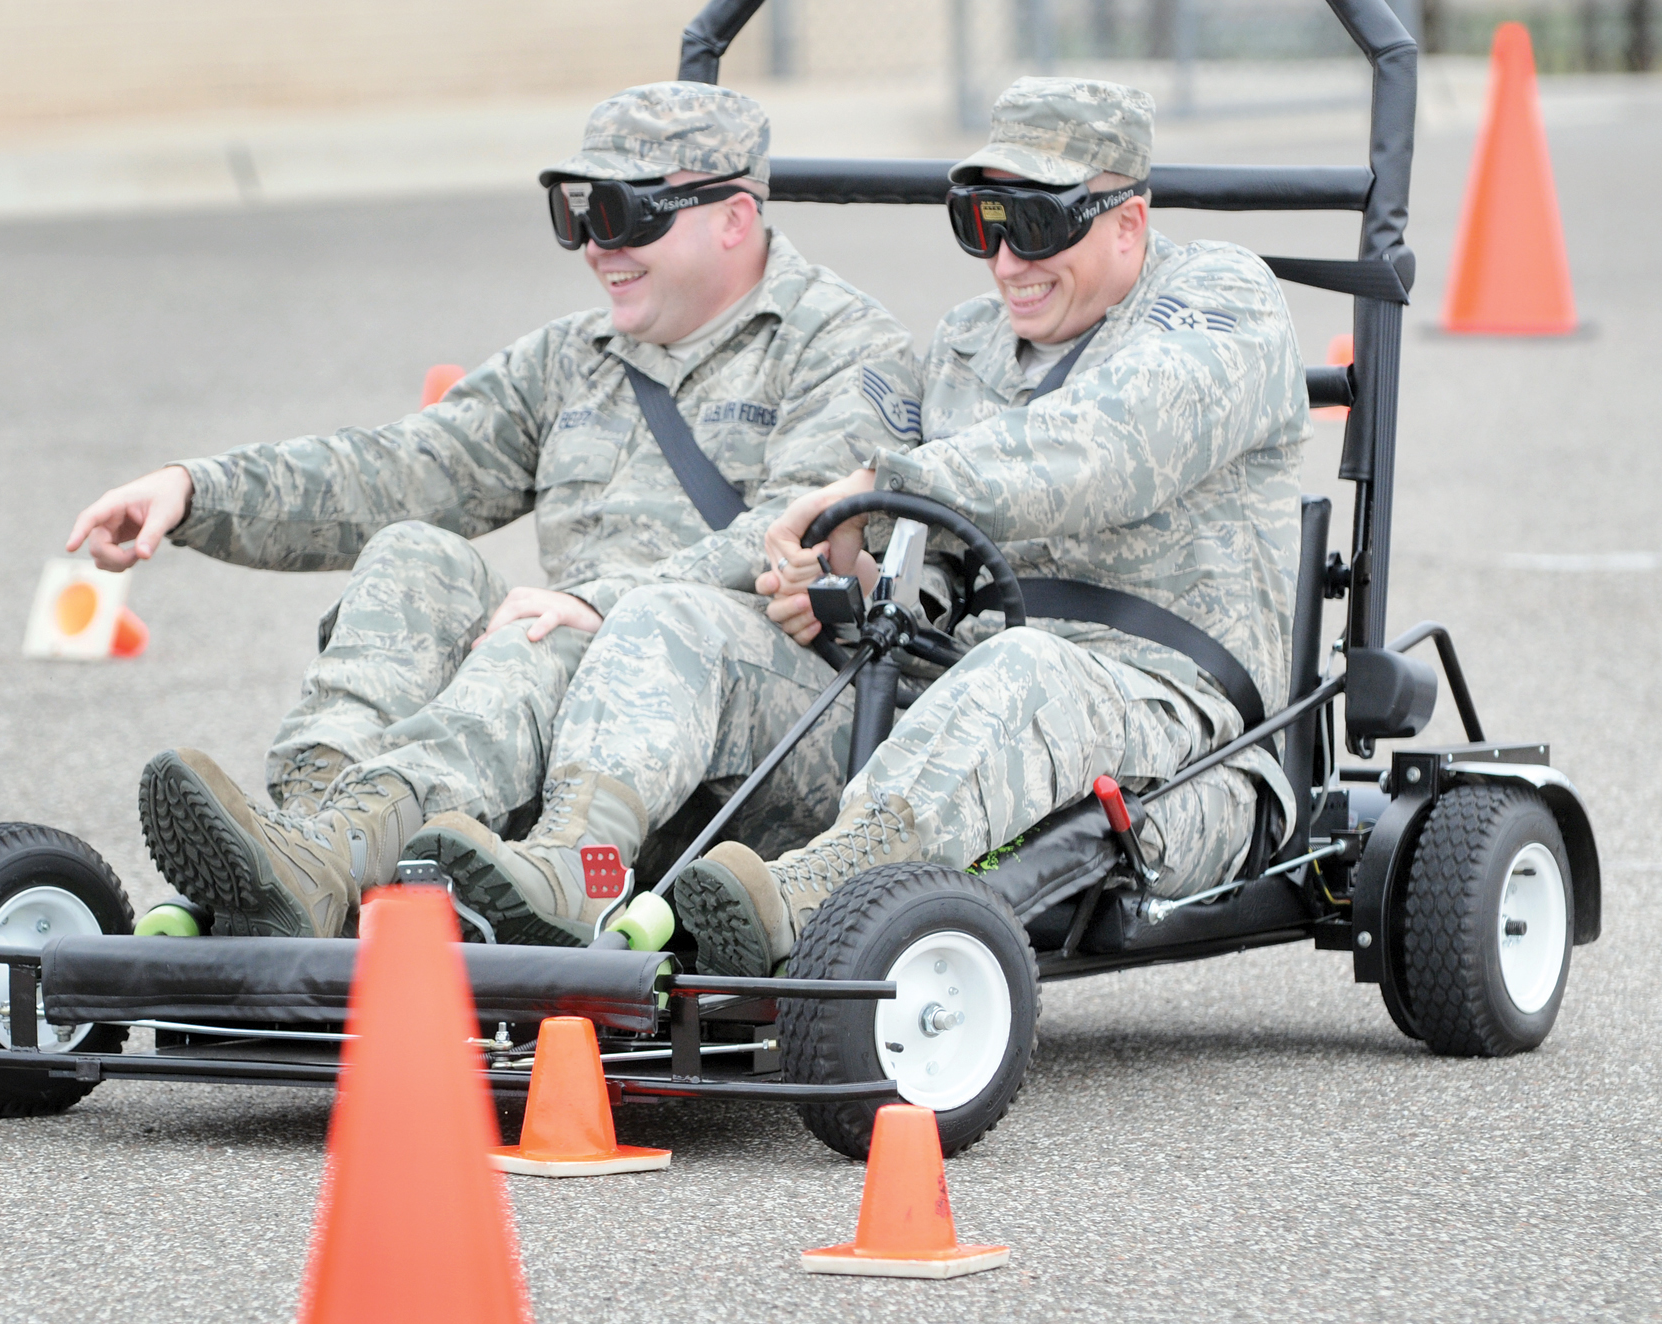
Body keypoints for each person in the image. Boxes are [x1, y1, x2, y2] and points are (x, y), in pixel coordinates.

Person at [432, 76, 1309, 974]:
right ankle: (576, 865)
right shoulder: (967, 344)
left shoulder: (1219, 299)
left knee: (1023, 666)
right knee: (672, 616)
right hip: (949, 713)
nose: (1007, 262)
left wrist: (885, 484)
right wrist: (849, 585)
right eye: (983, 223)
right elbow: (932, 564)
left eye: (1037, 226)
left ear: (1127, 221)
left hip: (1180, 745)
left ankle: (809, 903)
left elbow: (1103, 449)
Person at [65, 81, 921, 940]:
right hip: (582, 729)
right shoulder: (569, 360)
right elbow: (398, 469)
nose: (597, 245)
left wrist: (600, 604)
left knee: (556, 634)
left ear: (733, 217)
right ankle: (313, 843)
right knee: (414, 556)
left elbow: (794, 530)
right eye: (579, 211)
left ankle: (333, 858)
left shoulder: (843, 345)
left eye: (627, 214)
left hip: (759, 747)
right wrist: (195, 491)